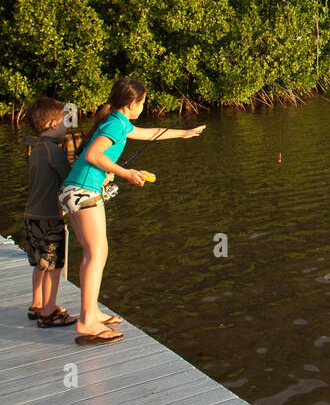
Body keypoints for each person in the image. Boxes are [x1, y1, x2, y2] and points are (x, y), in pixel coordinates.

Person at [60, 76, 206, 345]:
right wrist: (125, 173)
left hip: (74, 190)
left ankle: (90, 312)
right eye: (142, 102)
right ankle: (87, 320)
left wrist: (184, 133)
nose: (143, 106)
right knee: (97, 253)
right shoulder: (116, 125)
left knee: (93, 254)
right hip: (84, 190)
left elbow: (151, 133)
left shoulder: (118, 121)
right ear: (131, 103)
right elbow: (94, 155)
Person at [23, 97, 76, 327]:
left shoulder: (35, 147)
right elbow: (69, 177)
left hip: (31, 215)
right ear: (53, 124)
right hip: (49, 217)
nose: (67, 126)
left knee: (39, 263)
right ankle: (48, 312)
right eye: (65, 121)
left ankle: (37, 304)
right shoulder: (54, 151)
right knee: (54, 265)